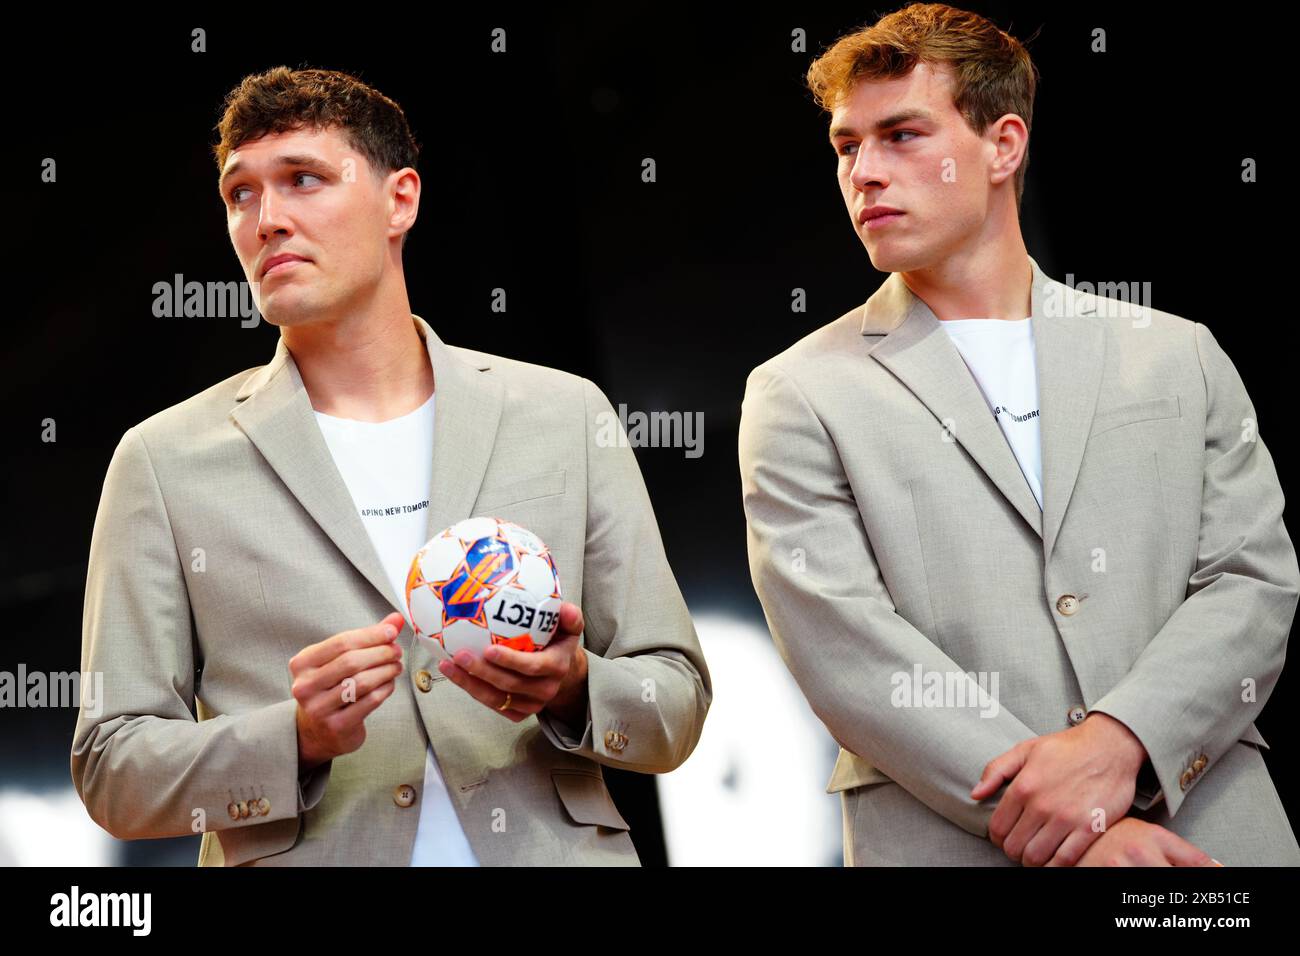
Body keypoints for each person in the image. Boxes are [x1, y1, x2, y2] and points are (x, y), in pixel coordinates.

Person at [72, 66, 710, 866]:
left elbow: (676, 703)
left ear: (399, 200)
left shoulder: (564, 413)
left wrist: (577, 684)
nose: (267, 219)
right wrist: (294, 739)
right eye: (241, 194)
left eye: (303, 179)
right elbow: (111, 770)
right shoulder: (163, 459)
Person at [738, 3, 1299, 866]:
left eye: (902, 135)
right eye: (848, 147)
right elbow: (845, 652)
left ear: (1003, 145)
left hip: (1209, 838)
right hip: (952, 841)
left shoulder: (1176, 354)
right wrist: (1072, 828)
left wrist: (1121, 743)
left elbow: (1252, 583)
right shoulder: (798, 391)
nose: (866, 174)